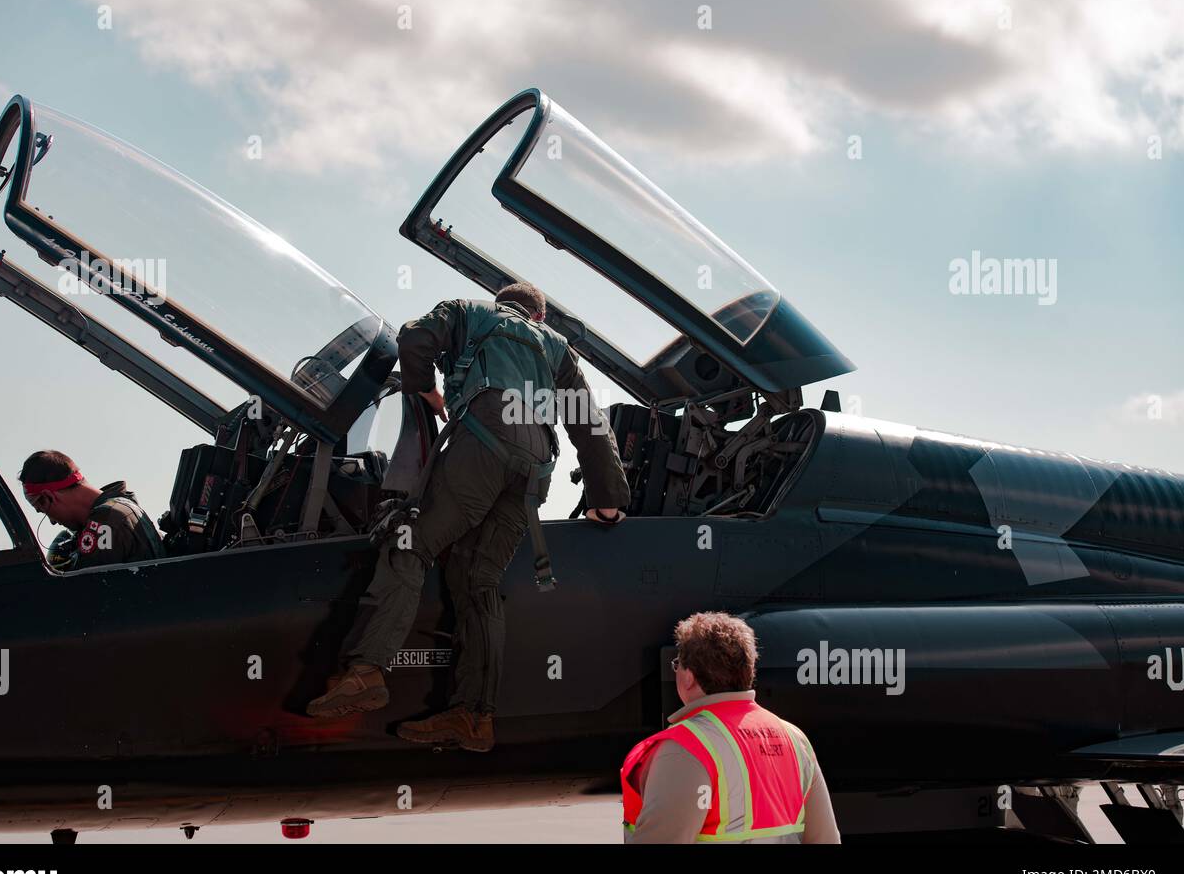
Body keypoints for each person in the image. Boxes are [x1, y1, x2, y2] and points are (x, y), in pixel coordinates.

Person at [306, 282, 631, 751]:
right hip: (536, 467)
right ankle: (474, 715)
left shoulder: (468, 311)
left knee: (411, 544)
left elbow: (414, 337)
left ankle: (366, 672)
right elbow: (589, 422)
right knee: (477, 579)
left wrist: (427, 394)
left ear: (504, 305)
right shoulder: (558, 349)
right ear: (539, 318)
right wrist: (609, 497)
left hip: (484, 439)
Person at [621, 611, 840, 843]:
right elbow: (825, 839)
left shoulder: (687, 747)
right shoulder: (795, 740)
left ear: (688, 677)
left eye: (678, 665)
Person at [19, 450, 163, 570]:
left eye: (44, 511)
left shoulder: (107, 521)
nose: (52, 521)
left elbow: (87, 593)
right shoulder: (121, 506)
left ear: (49, 497)